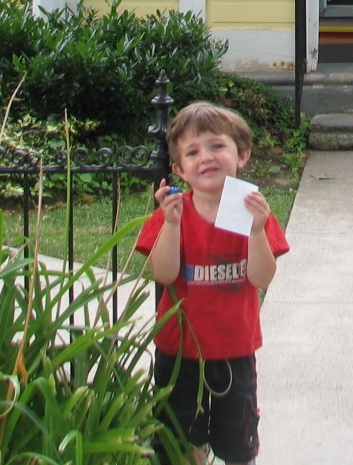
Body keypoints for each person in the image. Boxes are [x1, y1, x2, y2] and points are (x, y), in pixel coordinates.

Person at [136, 102, 289, 464]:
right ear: (179, 170)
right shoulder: (175, 214)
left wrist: (255, 231)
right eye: (192, 152)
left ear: (242, 155)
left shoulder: (249, 212)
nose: (206, 157)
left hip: (234, 349)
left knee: (237, 442)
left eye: (217, 146)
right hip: (179, 352)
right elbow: (164, 274)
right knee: (179, 442)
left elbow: (262, 278)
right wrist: (170, 226)